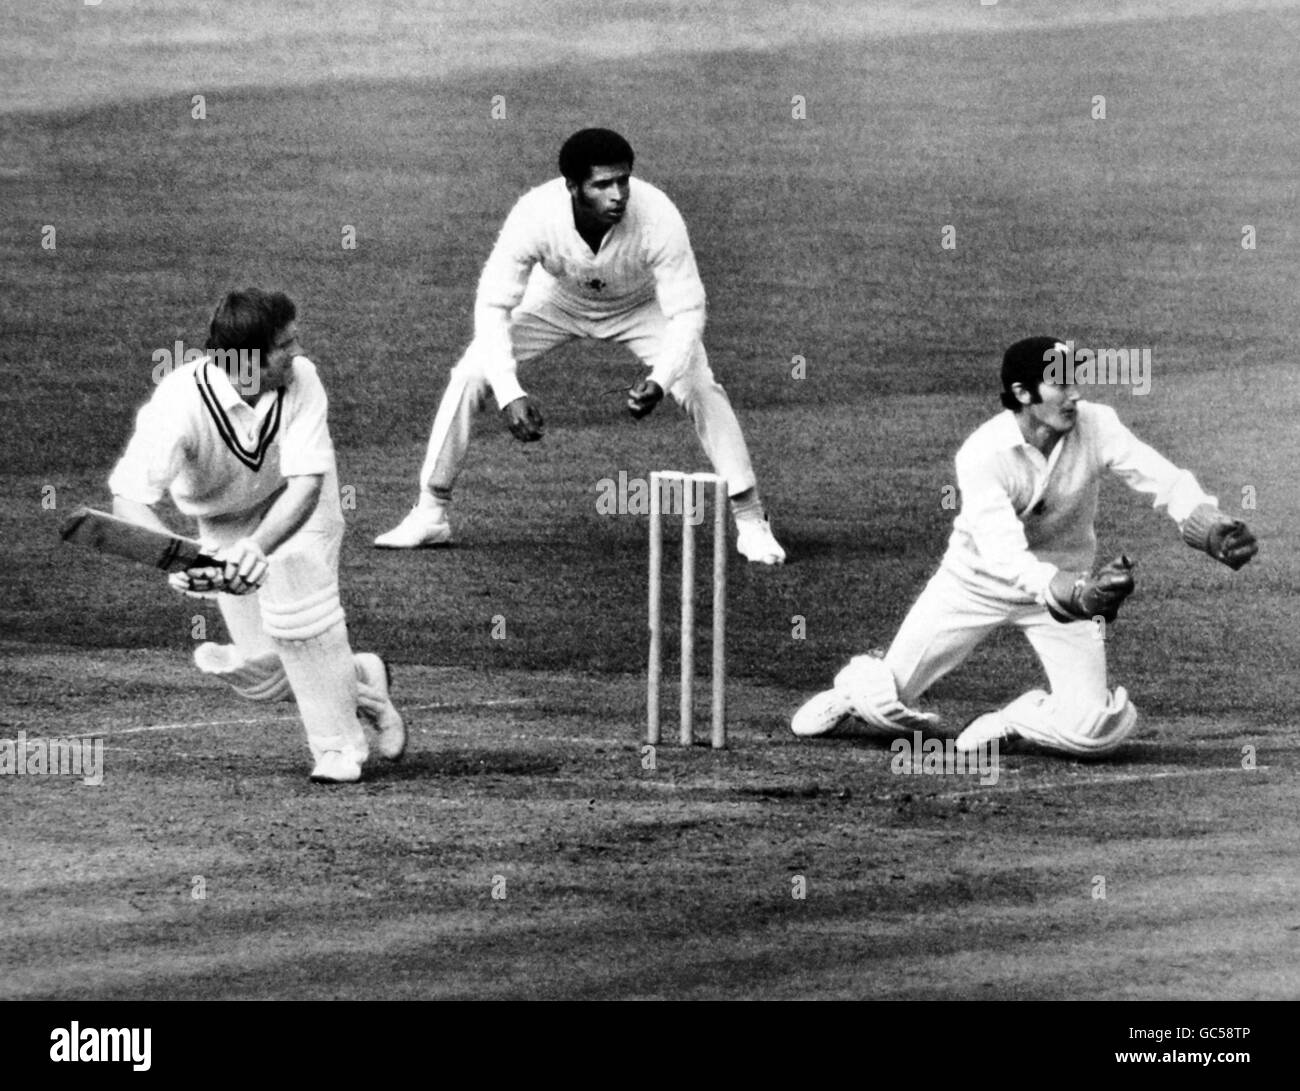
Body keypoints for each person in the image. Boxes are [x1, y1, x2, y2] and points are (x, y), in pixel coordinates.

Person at [790, 336, 1258, 757]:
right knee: (887, 706)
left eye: (1075, 381)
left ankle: (1013, 721)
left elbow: (1161, 478)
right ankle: (852, 692)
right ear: (1021, 394)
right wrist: (1070, 590)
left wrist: (1205, 521)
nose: (1074, 394)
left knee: (1093, 732)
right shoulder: (981, 455)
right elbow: (1004, 555)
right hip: (975, 584)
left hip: (1068, 595)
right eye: (1058, 384)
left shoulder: (1098, 425)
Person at [374, 127, 786, 564]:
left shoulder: (659, 216)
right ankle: (430, 513)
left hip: (639, 306)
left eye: (623, 180)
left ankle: (751, 520)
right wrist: (510, 393)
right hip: (557, 298)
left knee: (700, 385)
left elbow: (687, 312)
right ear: (571, 187)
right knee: (471, 375)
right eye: (602, 185)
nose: (618, 195)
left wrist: (662, 380)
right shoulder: (534, 213)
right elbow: (493, 304)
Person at [108, 288, 405, 784]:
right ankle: (360, 679)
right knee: (263, 671)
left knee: (298, 615)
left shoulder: (303, 380)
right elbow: (129, 499)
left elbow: (308, 484)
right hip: (223, 519)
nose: (299, 353)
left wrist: (257, 548)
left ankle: (338, 750)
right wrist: (180, 560)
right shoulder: (179, 403)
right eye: (285, 346)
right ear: (246, 360)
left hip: (299, 504)